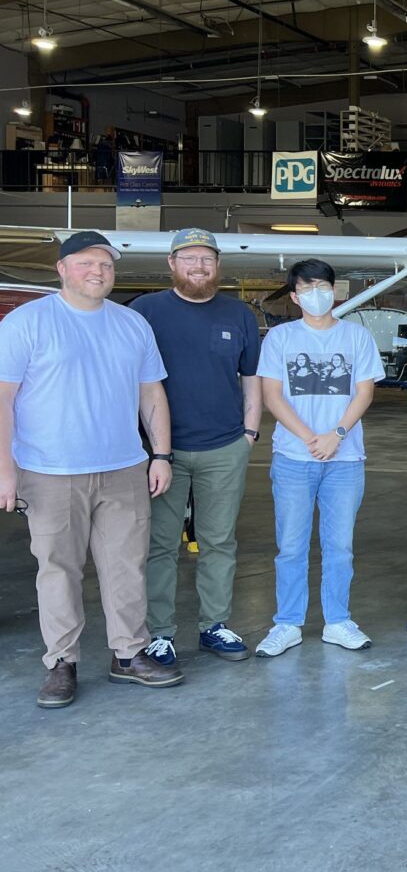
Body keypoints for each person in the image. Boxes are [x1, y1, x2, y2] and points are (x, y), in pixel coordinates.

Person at [0, 230, 183, 707]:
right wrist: (5, 470)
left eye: (105, 265)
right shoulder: (27, 322)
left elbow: (151, 394)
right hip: (49, 471)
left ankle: (130, 654)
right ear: (62, 269)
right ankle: (62, 662)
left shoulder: (131, 324)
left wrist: (160, 453)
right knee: (58, 568)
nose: (97, 272)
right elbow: (3, 400)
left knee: (126, 566)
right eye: (85, 263)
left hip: (124, 467)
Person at [136, 228, 262, 666]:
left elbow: (251, 379)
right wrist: (152, 450)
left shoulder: (239, 314)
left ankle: (214, 625)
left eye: (206, 259)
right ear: (171, 264)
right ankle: (160, 633)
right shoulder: (144, 311)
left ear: (218, 265)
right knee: (160, 543)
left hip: (224, 446)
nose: (198, 266)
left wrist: (249, 434)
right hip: (160, 453)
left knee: (219, 541)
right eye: (188, 258)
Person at [253, 259, 384, 658]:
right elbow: (272, 395)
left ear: (335, 290)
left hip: (344, 461)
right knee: (291, 546)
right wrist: (312, 437)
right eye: (307, 289)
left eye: (322, 286)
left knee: (339, 546)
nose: (316, 294)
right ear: (294, 297)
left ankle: (338, 621)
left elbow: (364, 391)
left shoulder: (357, 336)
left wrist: (337, 434)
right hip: (295, 457)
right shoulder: (280, 339)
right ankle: (288, 623)